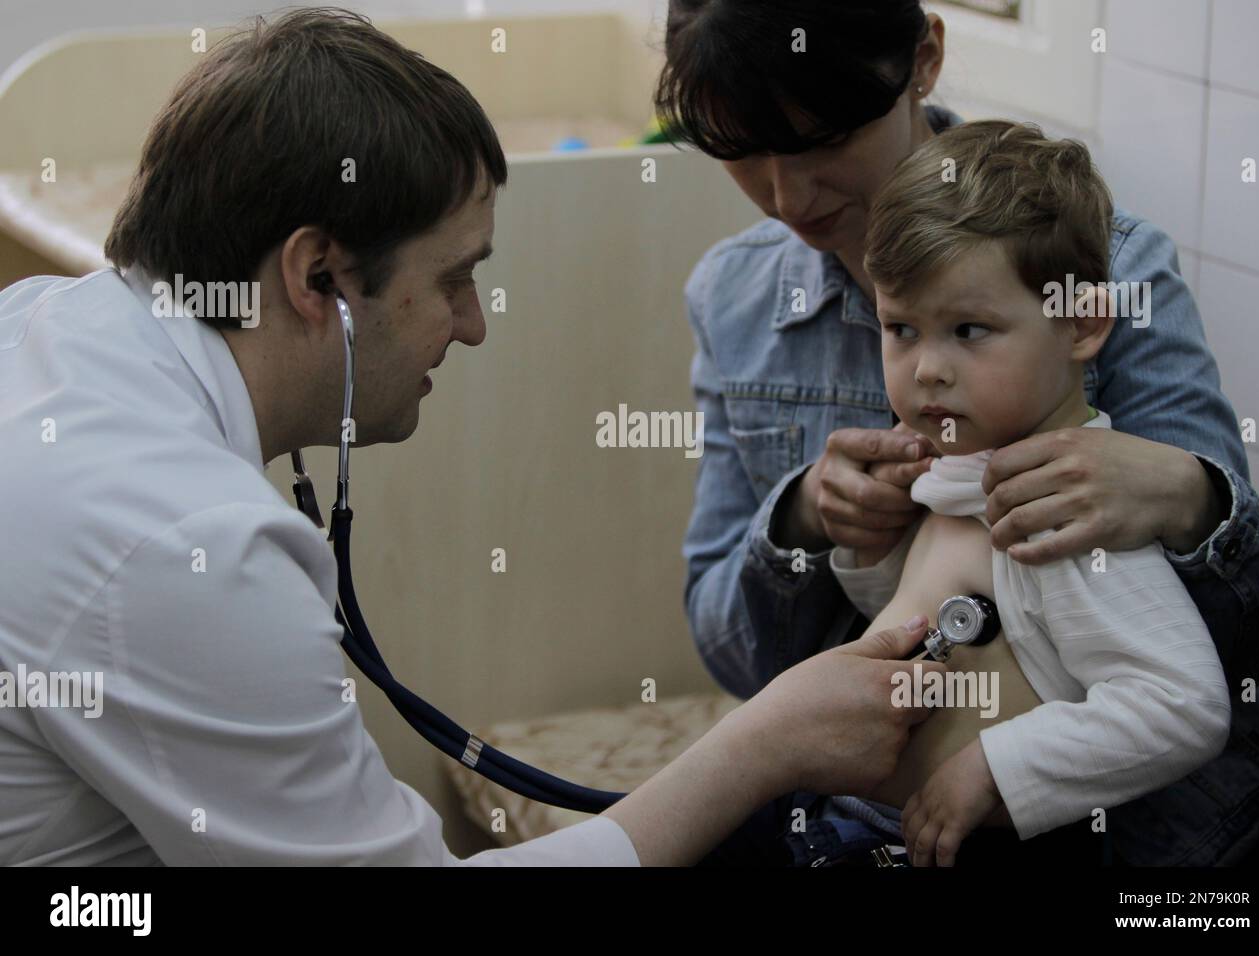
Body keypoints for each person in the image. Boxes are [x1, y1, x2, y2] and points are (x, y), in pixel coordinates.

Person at [0, 7, 942, 867]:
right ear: (317, 275)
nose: (475, 323)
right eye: (454, 278)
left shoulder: (47, 325)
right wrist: (761, 746)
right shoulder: (183, 548)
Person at [659, 0, 1259, 864]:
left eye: (823, 140)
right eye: (742, 151)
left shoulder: (1107, 266)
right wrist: (809, 520)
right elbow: (736, 657)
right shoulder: (732, 300)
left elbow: (1234, 658)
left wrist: (1188, 498)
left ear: (924, 58)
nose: (786, 194)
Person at [830, 120, 1232, 867]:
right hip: (865, 823)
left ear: (1080, 322)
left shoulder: (1064, 519)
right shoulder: (963, 470)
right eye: (901, 329)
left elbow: (1185, 706)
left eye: (968, 329)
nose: (926, 370)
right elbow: (922, 623)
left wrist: (995, 770)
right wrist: (866, 547)